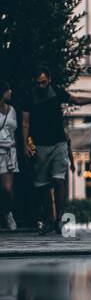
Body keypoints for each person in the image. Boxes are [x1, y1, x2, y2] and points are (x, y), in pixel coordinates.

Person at [22, 69, 91, 234]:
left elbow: (76, 100)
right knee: (43, 185)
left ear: (49, 79)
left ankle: (59, 219)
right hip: (40, 145)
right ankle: (50, 219)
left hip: (59, 142)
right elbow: (25, 122)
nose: (41, 85)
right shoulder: (29, 95)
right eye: (38, 83)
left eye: (43, 82)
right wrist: (25, 144)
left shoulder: (56, 90)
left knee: (58, 180)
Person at [0, 81, 20, 232]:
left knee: (8, 189)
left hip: (9, 152)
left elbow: (15, 131)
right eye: (8, 90)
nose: (11, 91)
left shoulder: (12, 110)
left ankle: (8, 213)